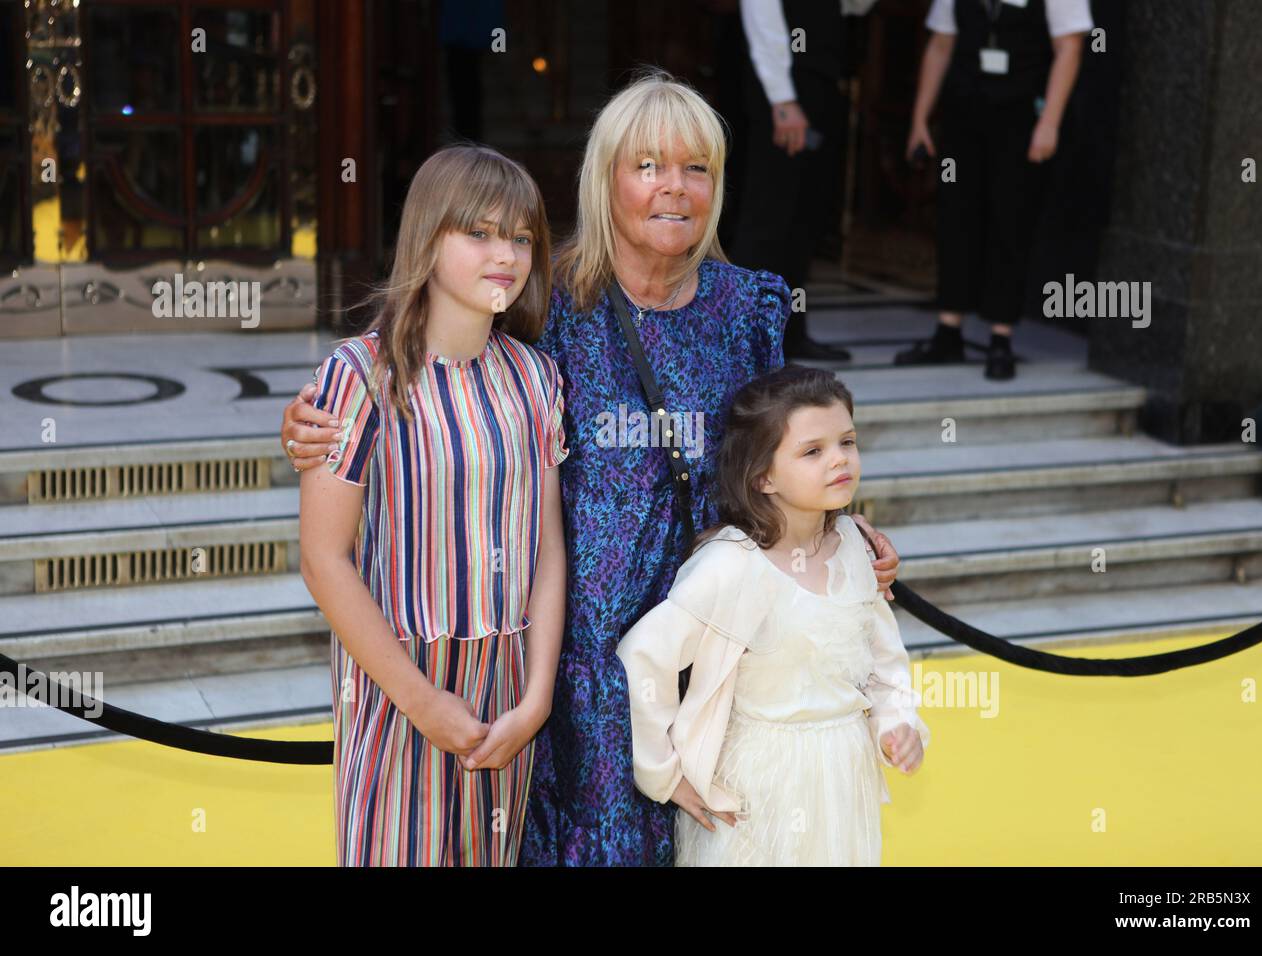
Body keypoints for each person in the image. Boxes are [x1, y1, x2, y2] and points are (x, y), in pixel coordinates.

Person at [282, 70, 905, 867]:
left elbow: (788, 453)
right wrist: (311, 426)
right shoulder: (547, 305)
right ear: (605, 179)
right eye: (647, 166)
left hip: (720, 650)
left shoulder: (751, 308)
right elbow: (436, 367)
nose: (674, 188)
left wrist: (845, 533)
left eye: (697, 168)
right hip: (580, 672)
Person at [297, 145, 568, 866]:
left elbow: (546, 550)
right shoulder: (359, 376)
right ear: (427, 238)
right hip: (395, 680)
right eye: (478, 233)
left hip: (507, 685)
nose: (504, 254)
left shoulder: (537, 378)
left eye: (519, 236)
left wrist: (537, 696)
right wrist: (421, 701)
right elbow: (324, 561)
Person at [618, 366, 929, 865]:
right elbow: (642, 657)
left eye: (847, 442)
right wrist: (664, 774)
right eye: (813, 451)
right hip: (756, 794)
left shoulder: (854, 547)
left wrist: (897, 724)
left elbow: (881, 660)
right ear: (763, 475)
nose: (839, 460)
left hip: (843, 783)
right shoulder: (730, 564)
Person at [896, 0, 1092, 380]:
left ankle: (1001, 336)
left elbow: (1070, 47)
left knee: (1011, 218)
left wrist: (1050, 122)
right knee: (956, 215)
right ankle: (948, 329)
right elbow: (940, 44)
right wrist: (920, 119)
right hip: (964, 112)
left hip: (1022, 115)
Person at [729, 0, 880, 363]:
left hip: (820, 85)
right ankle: (744, 343)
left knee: (803, 220)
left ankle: (791, 335)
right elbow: (761, 17)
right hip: (781, 91)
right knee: (768, 218)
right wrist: (783, 99)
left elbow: (856, 7)